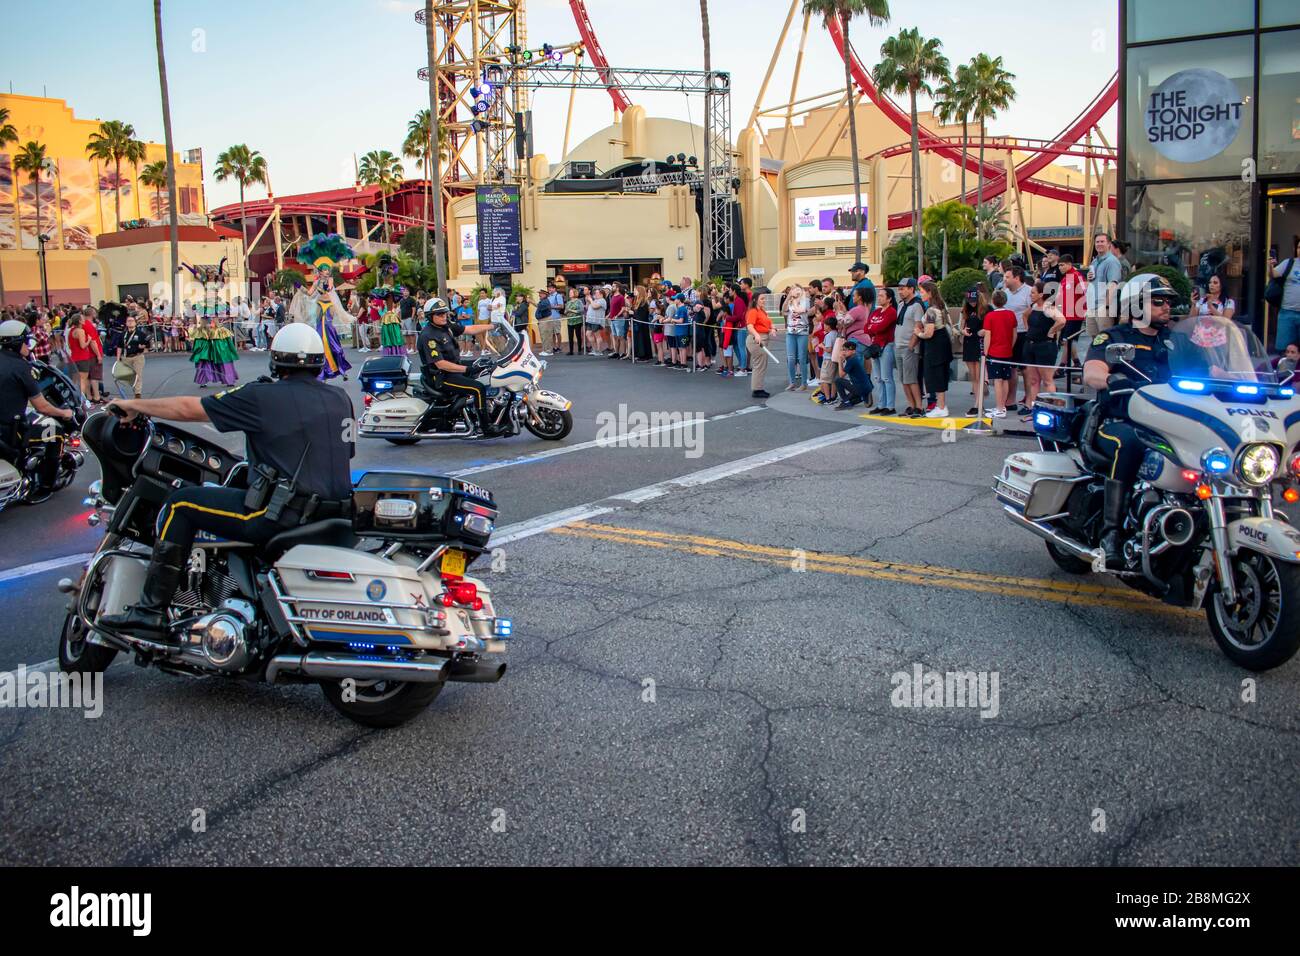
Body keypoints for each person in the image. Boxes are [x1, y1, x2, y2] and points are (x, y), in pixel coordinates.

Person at [98, 325, 356, 639]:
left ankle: (150, 612)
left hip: (280, 516)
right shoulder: (340, 397)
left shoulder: (261, 396)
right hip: (334, 513)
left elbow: (190, 408)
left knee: (180, 504)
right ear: (319, 361)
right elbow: (344, 450)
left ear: (275, 360)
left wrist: (134, 405)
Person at [1082, 273, 1180, 567]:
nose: (1166, 307)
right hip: (1117, 421)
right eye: (1158, 301)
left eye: (1169, 302)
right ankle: (1111, 533)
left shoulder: (1177, 341)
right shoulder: (1115, 338)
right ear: (1136, 305)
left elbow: (1209, 368)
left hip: (1170, 424)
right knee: (1129, 444)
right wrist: (1111, 378)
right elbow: (1092, 372)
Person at [0, 321, 79, 489]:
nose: (29, 347)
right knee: (56, 432)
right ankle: (48, 481)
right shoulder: (21, 367)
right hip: (10, 431)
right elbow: (42, 406)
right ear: (15, 343)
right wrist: (65, 413)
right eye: (26, 341)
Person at [417, 297, 502, 437]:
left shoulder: (446, 326)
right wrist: (467, 369)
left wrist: (493, 326)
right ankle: (486, 426)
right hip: (440, 376)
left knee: (483, 367)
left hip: (453, 368)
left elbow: (469, 329)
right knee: (478, 388)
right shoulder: (428, 336)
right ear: (430, 317)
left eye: (444, 313)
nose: (444, 316)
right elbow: (440, 364)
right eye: (439, 314)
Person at [1021, 280, 1066, 415]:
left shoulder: (1048, 308)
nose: (1031, 295)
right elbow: (1024, 315)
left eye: (1033, 293)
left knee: (1047, 380)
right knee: (1033, 380)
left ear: (1041, 294)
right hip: (1031, 344)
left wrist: (1052, 331)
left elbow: (1062, 320)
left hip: (1045, 346)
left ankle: (1050, 408)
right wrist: (1028, 329)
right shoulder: (1034, 306)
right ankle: (1033, 406)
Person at [913, 281, 953, 418]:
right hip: (942, 342)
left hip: (935, 344)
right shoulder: (940, 307)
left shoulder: (931, 310)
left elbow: (929, 333)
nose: (920, 294)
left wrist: (918, 333)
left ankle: (941, 406)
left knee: (935, 375)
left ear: (929, 293)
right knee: (940, 374)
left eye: (922, 291)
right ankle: (940, 405)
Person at [981, 290, 1018, 419]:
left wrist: (985, 353)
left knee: (997, 381)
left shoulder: (990, 316)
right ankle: (1002, 406)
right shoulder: (1011, 315)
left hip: (994, 351)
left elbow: (988, 336)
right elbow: (1014, 334)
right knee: (1005, 379)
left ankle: (999, 407)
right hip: (1007, 351)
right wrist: (1010, 346)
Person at [894, 279, 925, 418]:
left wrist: (912, 345)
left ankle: (919, 406)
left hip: (909, 346)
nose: (900, 291)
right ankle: (911, 405)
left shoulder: (917, 305)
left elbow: (918, 325)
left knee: (911, 378)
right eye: (899, 289)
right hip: (898, 345)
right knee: (903, 378)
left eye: (903, 288)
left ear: (911, 289)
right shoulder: (901, 305)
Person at [865, 288, 898, 415]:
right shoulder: (876, 311)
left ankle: (890, 406)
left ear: (889, 298)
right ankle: (881, 404)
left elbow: (881, 327)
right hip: (875, 345)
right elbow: (866, 327)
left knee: (886, 377)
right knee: (878, 377)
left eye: (882, 296)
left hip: (886, 346)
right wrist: (873, 328)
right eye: (878, 296)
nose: (879, 298)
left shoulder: (891, 312)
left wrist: (872, 328)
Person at [1085, 232, 1122, 337]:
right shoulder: (1094, 262)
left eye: (1102, 241)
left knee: (1105, 339)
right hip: (1092, 307)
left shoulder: (1112, 261)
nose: (1099, 244)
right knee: (1094, 341)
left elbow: (1113, 285)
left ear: (1109, 244)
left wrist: (1105, 307)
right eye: (1097, 242)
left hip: (1103, 307)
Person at [959, 287, 988, 416]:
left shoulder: (986, 309)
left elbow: (990, 326)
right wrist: (962, 331)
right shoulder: (966, 309)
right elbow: (961, 326)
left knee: (979, 375)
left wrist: (984, 332)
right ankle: (977, 402)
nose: (972, 303)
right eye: (970, 300)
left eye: (974, 300)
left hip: (980, 342)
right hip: (969, 343)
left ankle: (979, 404)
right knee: (974, 377)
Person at [1271, 238, 1300, 352]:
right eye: (1298, 247)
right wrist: (1270, 266)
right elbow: (1274, 275)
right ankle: (1284, 369)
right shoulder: (1289, 263)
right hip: (1287, 313)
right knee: (1284, 350)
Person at [784, 284, 811, 391]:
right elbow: (784, 311)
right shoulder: (790, 300)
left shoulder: (805, 300)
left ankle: (804, 383)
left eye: (797, 289)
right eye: (792, 290)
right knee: (790, 358)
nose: (794, 291)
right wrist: (788, 298)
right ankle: (792, 382)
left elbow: (801, 310)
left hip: (802, 332)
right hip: (790, 332)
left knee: (801, 358)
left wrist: (795, 300)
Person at [116, 313, 149, 399]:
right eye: (128, 321)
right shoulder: (123, 334)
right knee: (129, 377)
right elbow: (119, 347)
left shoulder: (140, 333)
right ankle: (134, 391)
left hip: (137, 357)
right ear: (126, 323)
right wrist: (118, 358)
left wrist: (143, 348)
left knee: (138, 375)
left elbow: (148, 345)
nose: (130, 322)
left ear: (135, 323)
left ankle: (138, 394)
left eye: (132, 321)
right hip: (126, 357)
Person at [745, 295, 772, 399]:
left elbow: (767, 324)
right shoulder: (753, 311)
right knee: (759, 365)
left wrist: (772, 329)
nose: (764, 300)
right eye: (762, 298)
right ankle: (757, 389)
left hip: (762, 337)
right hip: (757, 339)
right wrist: (756, 335)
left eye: (764, 298)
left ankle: (758, 388)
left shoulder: (762, 311)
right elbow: (750, 325)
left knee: (761, 364)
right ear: (755, 300)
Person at [564, 286, 585, 355]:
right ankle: (571, 351)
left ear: (575, 293)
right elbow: (565, 311)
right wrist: (566, 311)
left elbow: (581, 310)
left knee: (578, 336)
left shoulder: (579, 301)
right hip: (569, 321)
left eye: (571, 293)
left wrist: (571, 310)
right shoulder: (568, 302)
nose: (569, 294)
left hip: (577, 321)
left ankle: (579, 350)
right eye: (569, 293)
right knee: (570, 337)